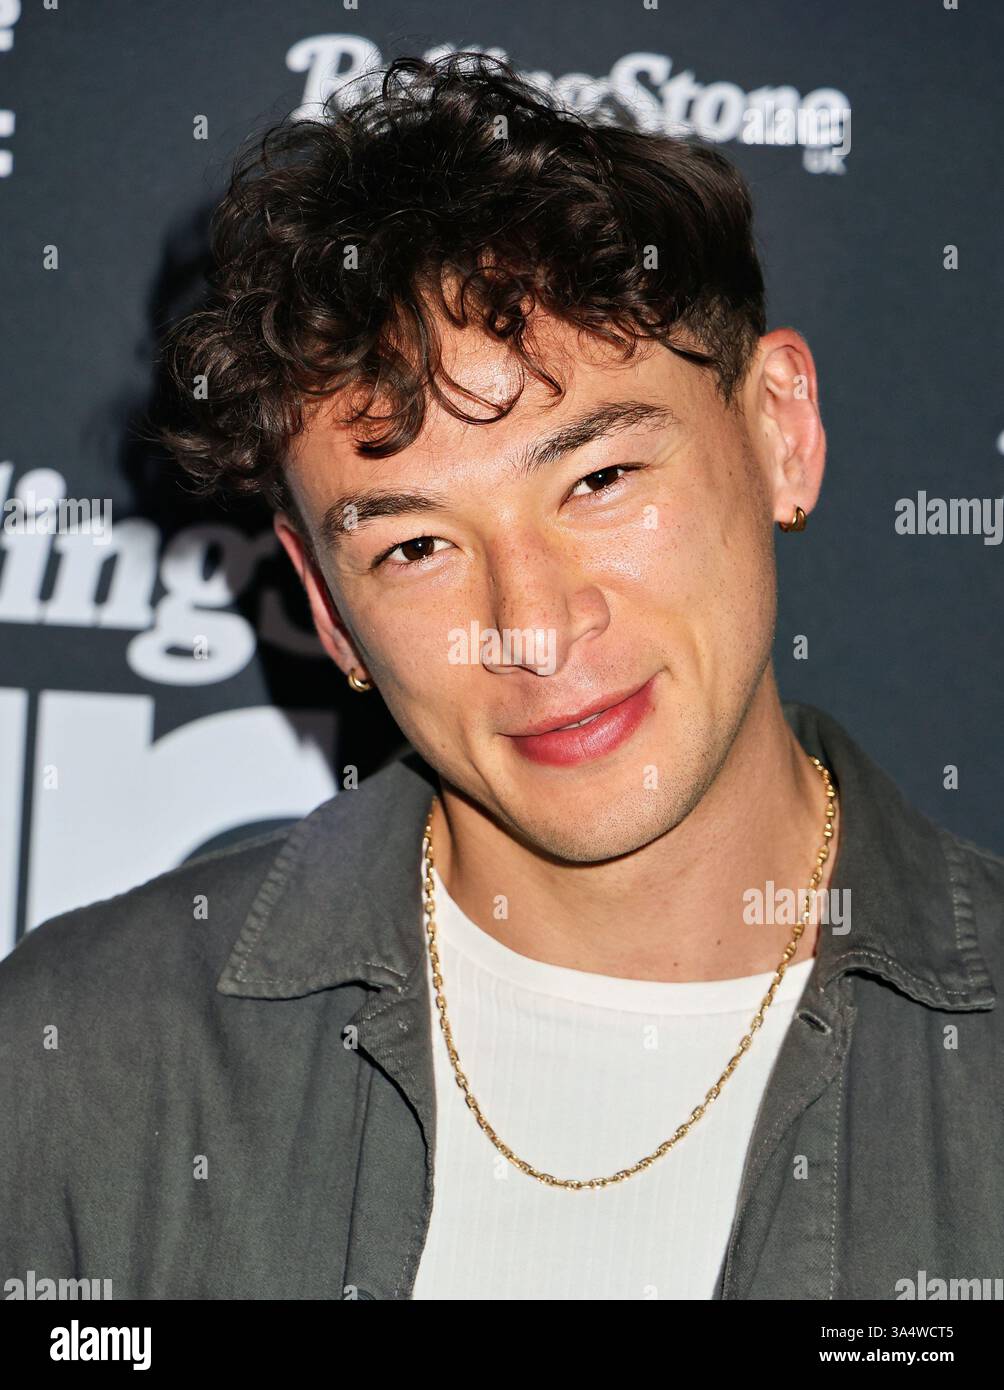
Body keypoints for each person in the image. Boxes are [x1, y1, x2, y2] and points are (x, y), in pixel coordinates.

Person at [1, 53, 1001, 1302]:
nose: (528, 625)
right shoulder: (84, 1055)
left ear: (778, 432)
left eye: (597, 481)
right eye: (414, 546)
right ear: (328, 608)